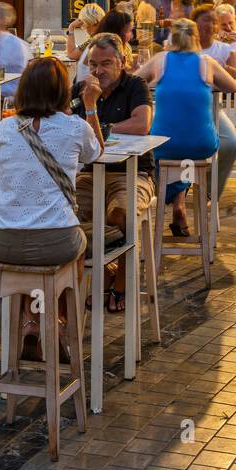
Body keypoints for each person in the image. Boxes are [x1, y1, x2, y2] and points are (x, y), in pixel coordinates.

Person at [0, 57, 104, 360]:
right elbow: (97, 153)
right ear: (63, 93)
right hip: (56, 242)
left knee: (30, 241)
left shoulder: (5, 126)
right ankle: (59, 324)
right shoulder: (75, 127)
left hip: (2, 241)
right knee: (76, 248)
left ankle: (30, 320)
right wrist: (90, 106)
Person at [71, 34, 155, 313]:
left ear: (123, 62)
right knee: (69, 213)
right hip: (90, 172)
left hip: (132, 172)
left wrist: (100, 127)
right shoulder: (82, 89)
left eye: (106, 63)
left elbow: (142, 124)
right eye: (93, 64)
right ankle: (104, 270)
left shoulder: (135, 86)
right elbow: (64, 122)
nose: (97, 71)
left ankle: (121, 280)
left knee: (120, 214)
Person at [137, 18, 236, 237]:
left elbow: (134, 80)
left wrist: (153, 82)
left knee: (169, 153)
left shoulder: (160, 60)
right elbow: (232, 85)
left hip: (163, 145)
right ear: (195, 39)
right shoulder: (206, 63)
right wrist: (209, 84)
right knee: (190, 152)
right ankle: (180, 205)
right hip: (200, 145)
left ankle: (171, 201)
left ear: (171, 37)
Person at [192, 4, 236, 194]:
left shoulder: (225, 50)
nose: (208, 26)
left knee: (233, 145)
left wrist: (223, 70)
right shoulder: (184, 47)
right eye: (204, 21)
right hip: (184, 107)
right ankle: (175, 189)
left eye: (212, 22)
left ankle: (209, 190)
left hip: (213, 107)